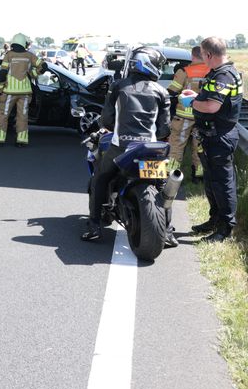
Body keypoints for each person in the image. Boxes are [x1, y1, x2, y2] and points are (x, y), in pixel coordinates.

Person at [82, 46, 171, 243]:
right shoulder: (162, 91)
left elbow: (106, 120)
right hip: (151, 148)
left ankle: (94, 225)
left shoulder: (118, 86)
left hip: (121, 146)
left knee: (100, 179)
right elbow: (164, 129)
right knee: (162, 184)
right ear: (150, 65)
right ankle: (169, 232)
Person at [186, 36, 243, 243]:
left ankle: (225, 229)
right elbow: (209, 98)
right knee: (211, 182)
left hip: (220, 137)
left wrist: (192, 101)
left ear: (209, 54)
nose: (201, 58)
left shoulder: (224, 75)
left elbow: (212, 106)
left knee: (222, 184)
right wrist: (197, 95)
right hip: (211, 136)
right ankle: (215, 220)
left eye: (202, 54)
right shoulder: (218, 73)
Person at [0, 33, 43, 146]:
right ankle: (22, 140)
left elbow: (2, 74)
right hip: (25, 92)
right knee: (23, 116)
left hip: (9, 92)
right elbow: (44, 66)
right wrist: (32, 74)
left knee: (3, 114)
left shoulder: (9, 55)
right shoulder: (30, 56)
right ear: (24, 43)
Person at [166, 46, 207, 183]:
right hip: (203, 116)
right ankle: (198, 176)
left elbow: (172, 91)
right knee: (199, 147)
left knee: (176, 146)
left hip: (183, 117)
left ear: (192, 56)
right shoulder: (211, 72)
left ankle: (171, 175)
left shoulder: (184, 71)